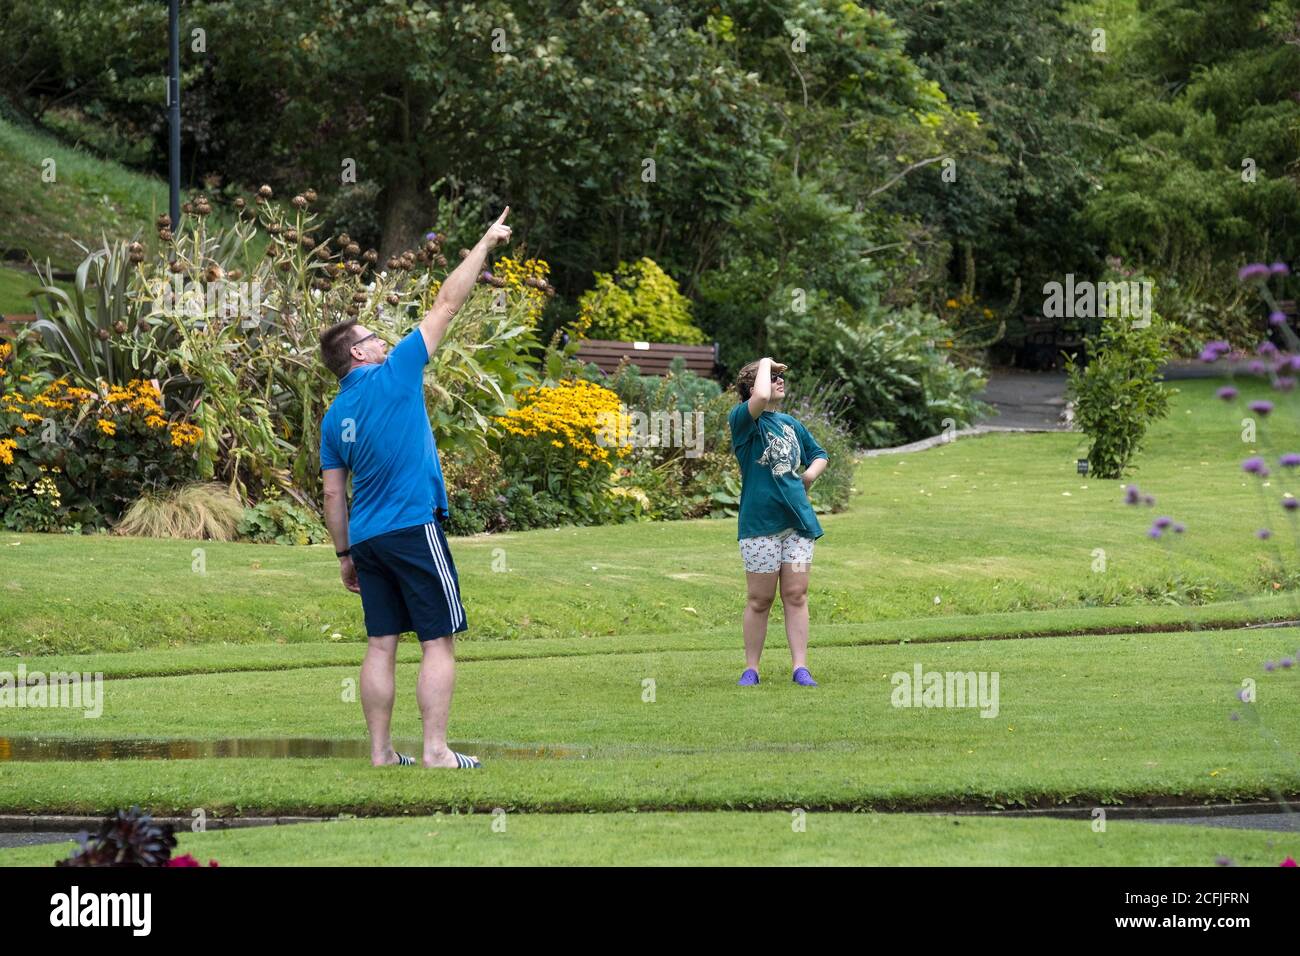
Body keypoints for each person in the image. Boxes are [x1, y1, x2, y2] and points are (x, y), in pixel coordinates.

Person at [318, 207, 513, 769]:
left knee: (381, 643)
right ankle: (435, 752)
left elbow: (334, 496)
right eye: (374, 338)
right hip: (411, 527)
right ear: (358, 353)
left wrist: (345, 554)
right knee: (437, 641)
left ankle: (381, 754)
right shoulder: (396, 370)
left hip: (370, 540)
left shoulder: (333, 418)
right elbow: (447, 303)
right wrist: (484, 243)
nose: (384, 341)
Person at [727, 356, 829, 687]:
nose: (779, 381)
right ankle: (751, 669)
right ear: (753, 386)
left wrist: (809, 476)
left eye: (780, 377)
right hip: (760, 526)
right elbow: (757, 399)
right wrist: (765, 361)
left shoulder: (790, 424)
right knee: (760, 599)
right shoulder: (743, 421)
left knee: (796, 594)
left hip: (797, 525)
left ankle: (801, 668)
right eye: (772, 377)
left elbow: (819, 454)